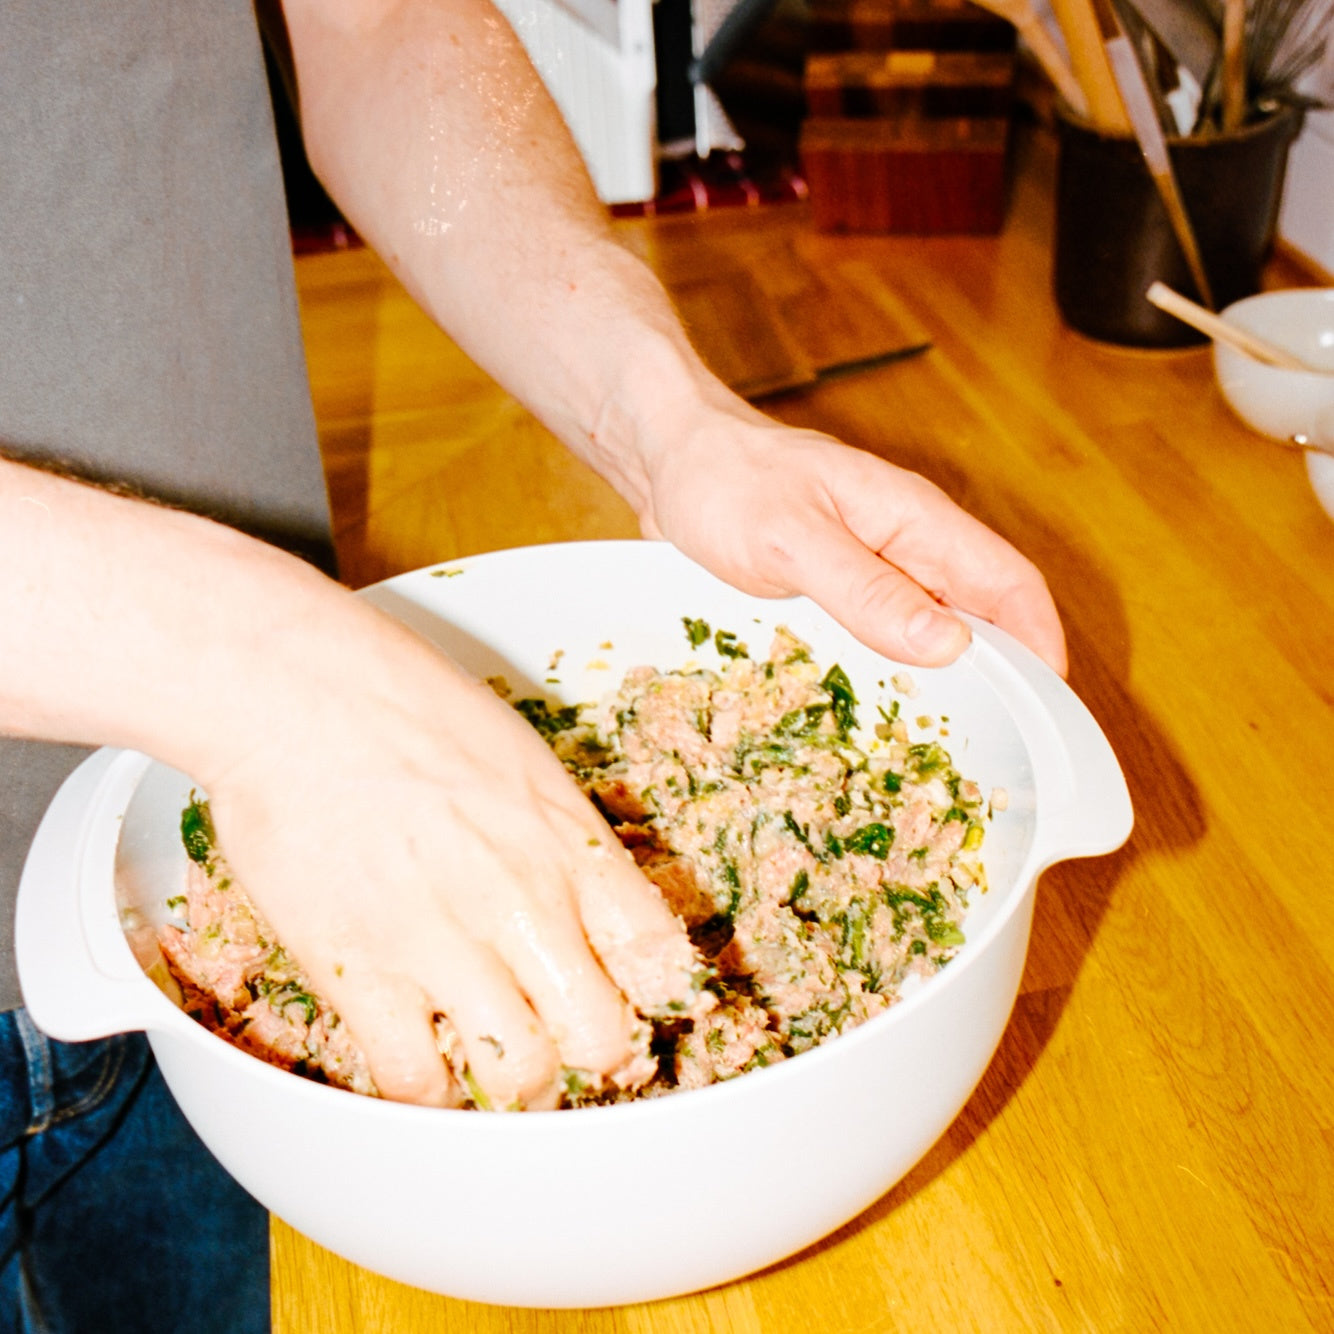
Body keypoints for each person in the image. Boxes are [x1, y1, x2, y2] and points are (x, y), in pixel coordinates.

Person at [0, 0, 1066, 1329]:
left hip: (277, 924)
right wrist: (259, 676)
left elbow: (384, 27)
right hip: (284, 751)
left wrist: (659, 414)